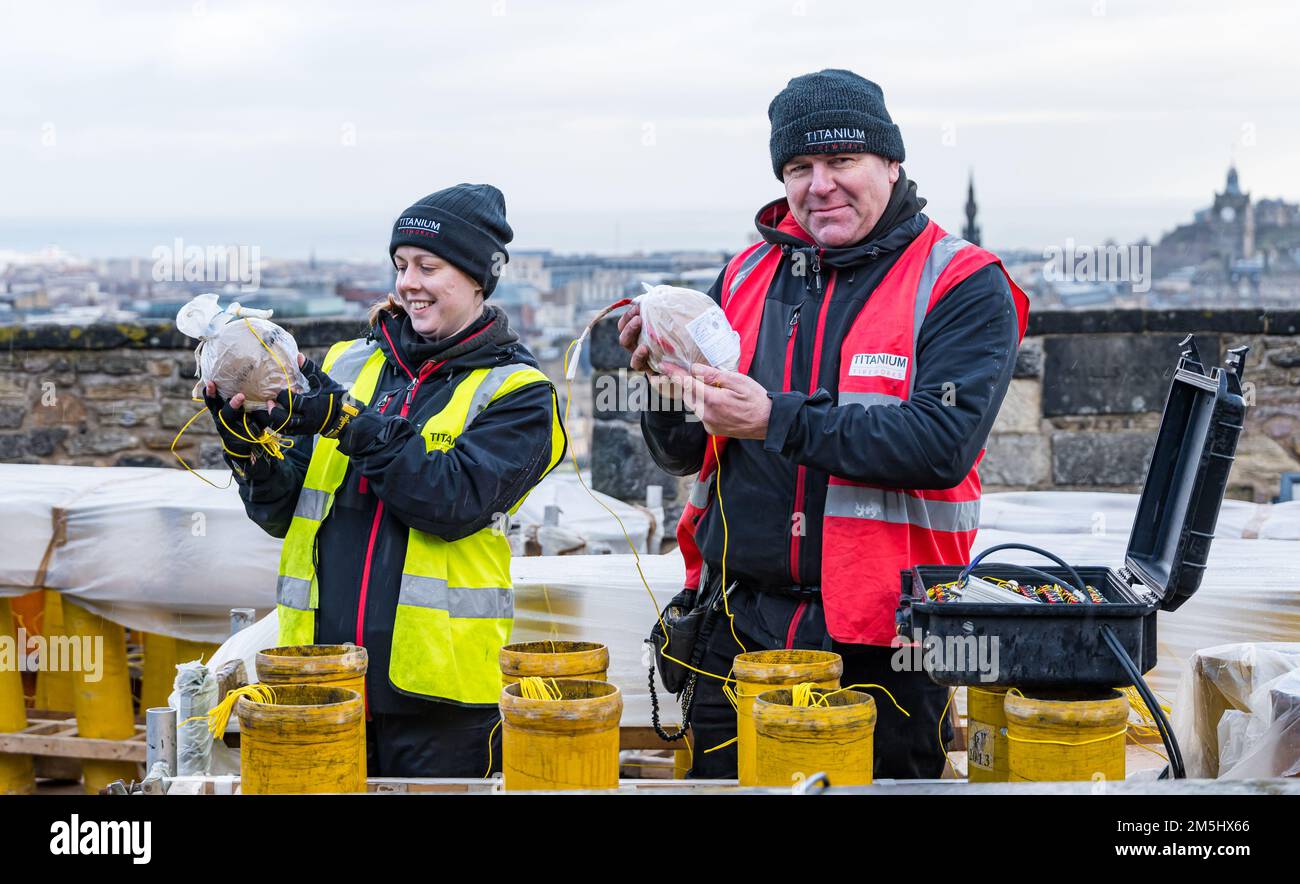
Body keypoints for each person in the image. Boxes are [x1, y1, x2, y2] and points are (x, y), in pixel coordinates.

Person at [618, 70, 1030, 779]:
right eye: (799, 167)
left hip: (886, 642)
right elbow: (688, 452)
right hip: (736, 628)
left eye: (842, 162)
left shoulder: (959, 281)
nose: (820, 185)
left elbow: (940, 446)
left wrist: (773, 417)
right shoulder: (744, 276)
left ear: (891, 164)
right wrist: (659, 384)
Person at [206, 183, 567, 777]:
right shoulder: (349, 363)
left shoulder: (521, 394)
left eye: (429, 266)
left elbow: (451, 501)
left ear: (479, 279)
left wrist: (349, 422)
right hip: (320, 677)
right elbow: (282, 510)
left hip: (440, 699)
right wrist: (247, 445)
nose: (409, 282)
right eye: (401, 265)